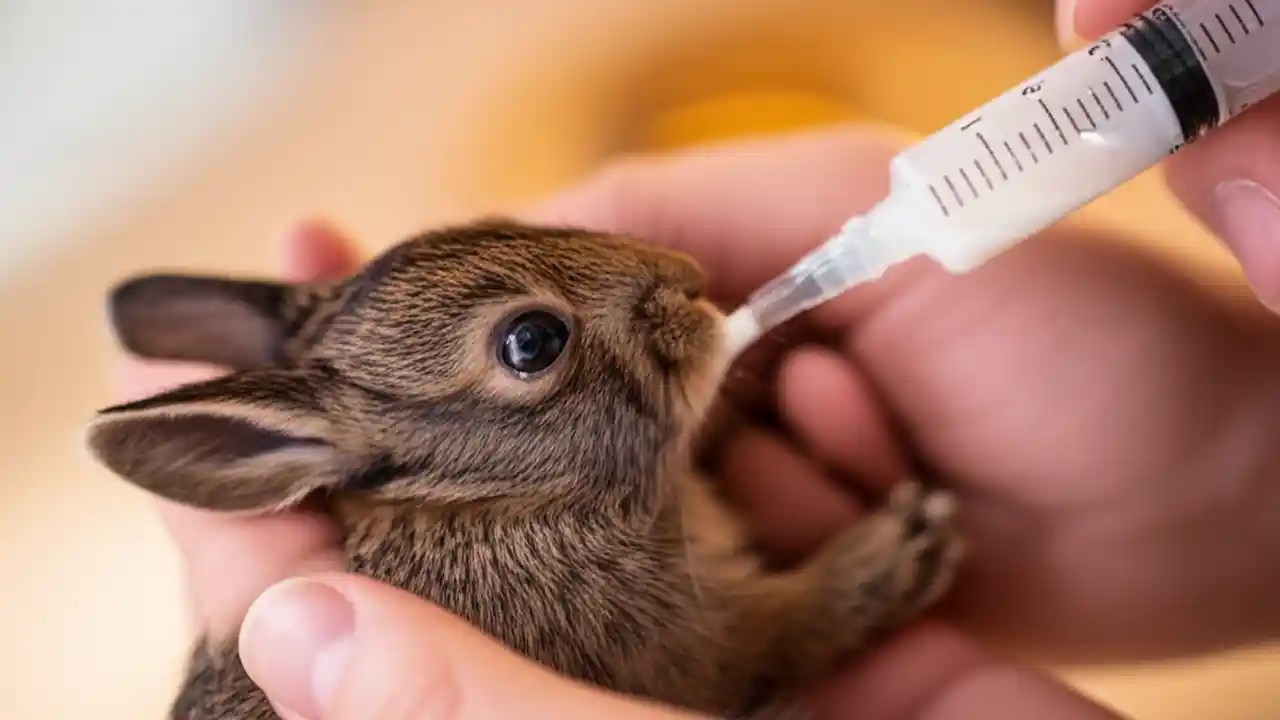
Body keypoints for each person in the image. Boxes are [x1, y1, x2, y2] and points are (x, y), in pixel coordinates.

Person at [120, 2, 1280, 717]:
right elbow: (706, 657)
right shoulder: (522, 567)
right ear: (412, 458)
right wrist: (827, 599)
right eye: (535, 343)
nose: (667, 274)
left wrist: (1235, 459)